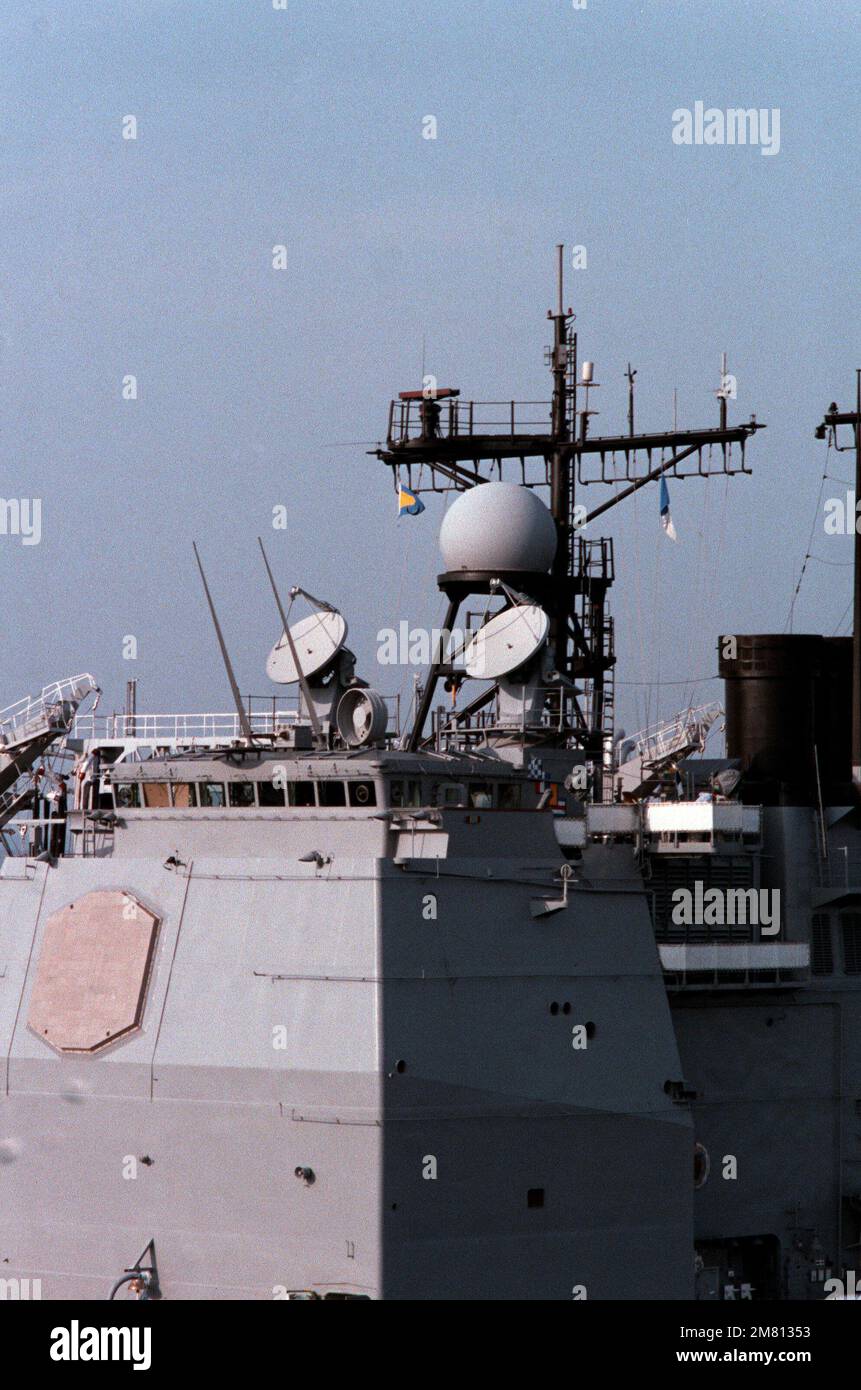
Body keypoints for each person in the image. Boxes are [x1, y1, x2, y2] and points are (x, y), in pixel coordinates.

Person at [48, 775, 68, 857]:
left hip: (62, 813)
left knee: (61, 835)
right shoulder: (53, 793)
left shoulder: (63, 790)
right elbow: (52, 797)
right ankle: (53, 853)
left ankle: (59, 852)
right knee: (54, 836)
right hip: (56, 814)